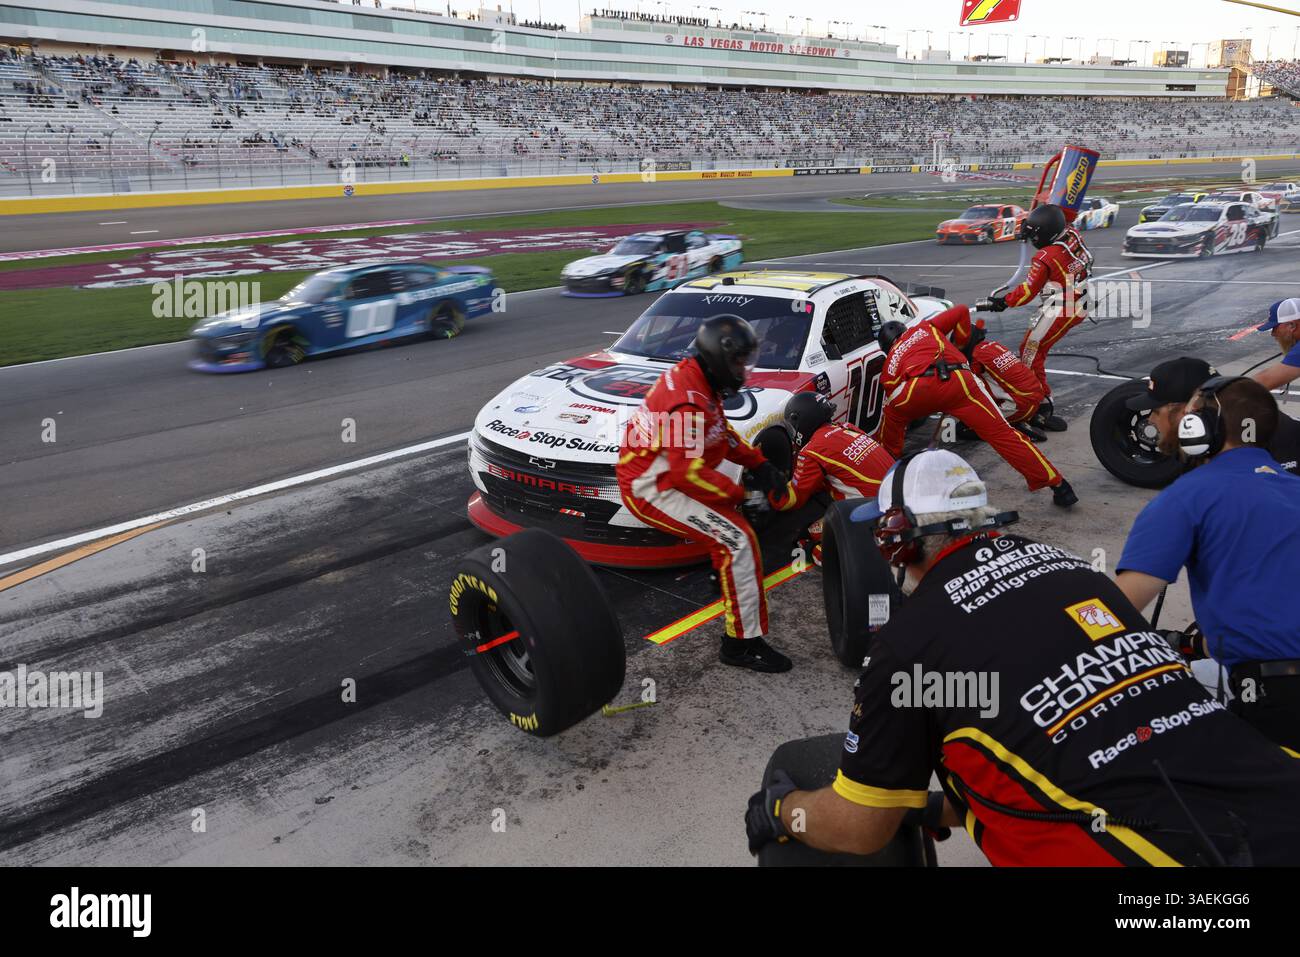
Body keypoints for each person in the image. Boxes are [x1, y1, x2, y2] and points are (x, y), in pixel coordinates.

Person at [746, 450, 1300, 865]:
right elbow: (1058, 753)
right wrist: (932, 809)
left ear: (898, 541)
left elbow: (861, 828)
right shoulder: (1076, 570)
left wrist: (781, 809)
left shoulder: (907, 645)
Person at [1116, 377, 1300, 750]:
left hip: (1279, 699)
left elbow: (1114, 611)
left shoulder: (1187, 497)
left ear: (1200, 428)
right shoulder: (1292, 487)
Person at [616, 315, 792, 673]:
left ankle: (725, 577)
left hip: (668, 472)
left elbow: (719, 433)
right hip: (652, 486)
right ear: (719, 357)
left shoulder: (698, 378)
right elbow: (689, 474)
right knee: (737, 539)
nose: (744, 370)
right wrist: (743, 492)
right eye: (740, 361)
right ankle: (741, 645)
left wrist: (758, 463)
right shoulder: (687, 402)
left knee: (730, 527)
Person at [874, 304, 1077, 508]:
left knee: (891, 415)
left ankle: (886, 476)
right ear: (904, 330)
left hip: (912, 390)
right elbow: (962, 310)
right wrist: (960, 346)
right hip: (957, 380)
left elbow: (891, 390)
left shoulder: (889, 364)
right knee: (1004, 436)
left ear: (886, 348)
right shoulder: (924, 328)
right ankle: (1059, 486)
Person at [976, 204, 1093, 432]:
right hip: (1081, 296)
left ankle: (1039, 407)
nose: (1031, 240)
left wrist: (1002, 302)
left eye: (1034, 235)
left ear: (1045, 234)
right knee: (1034, 347)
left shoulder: (1045, 257)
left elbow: (1028, 291)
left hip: (1065, 305)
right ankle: (1039, 402)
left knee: (1031, 350)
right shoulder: (1071, 233)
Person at [768, 391, 895, 562]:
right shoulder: (847, 427)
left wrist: (769, 488)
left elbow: (792, 499)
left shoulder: (812, 451)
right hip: (899, 493)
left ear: (802, 421)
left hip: (878, 510)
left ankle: (812, 550)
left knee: (814, 535)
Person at [1128, 355, 1299, 474]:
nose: (1151, 420)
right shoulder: (1222, 434)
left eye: (1157, 411)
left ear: (1188, 411)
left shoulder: (1260, 451)